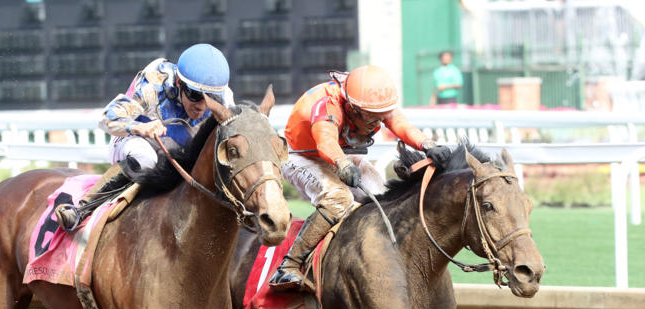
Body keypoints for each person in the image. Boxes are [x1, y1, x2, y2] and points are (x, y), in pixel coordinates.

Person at [268, 64, 451, 291]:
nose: (378, 122)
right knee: (338, 199)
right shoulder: (328, 105)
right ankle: (289, 266)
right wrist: (343, 164)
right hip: (300, 157)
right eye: (372, 118)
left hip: (336, 155)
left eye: (381, 117)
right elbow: (326, 142)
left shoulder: (369, 102)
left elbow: (400, 124)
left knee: (383, 197)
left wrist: (428, 144)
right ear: (352, 108)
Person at [56, 43, 234, 230]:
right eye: (195, 95)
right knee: (146, 157)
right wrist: (140, 127)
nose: (202, 106)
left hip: (181, 154)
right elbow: (106, 118)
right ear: (180, 84)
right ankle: (82, 209)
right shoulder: (154, 83)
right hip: (134, 142)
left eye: (210, 98)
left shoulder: (225, 99)